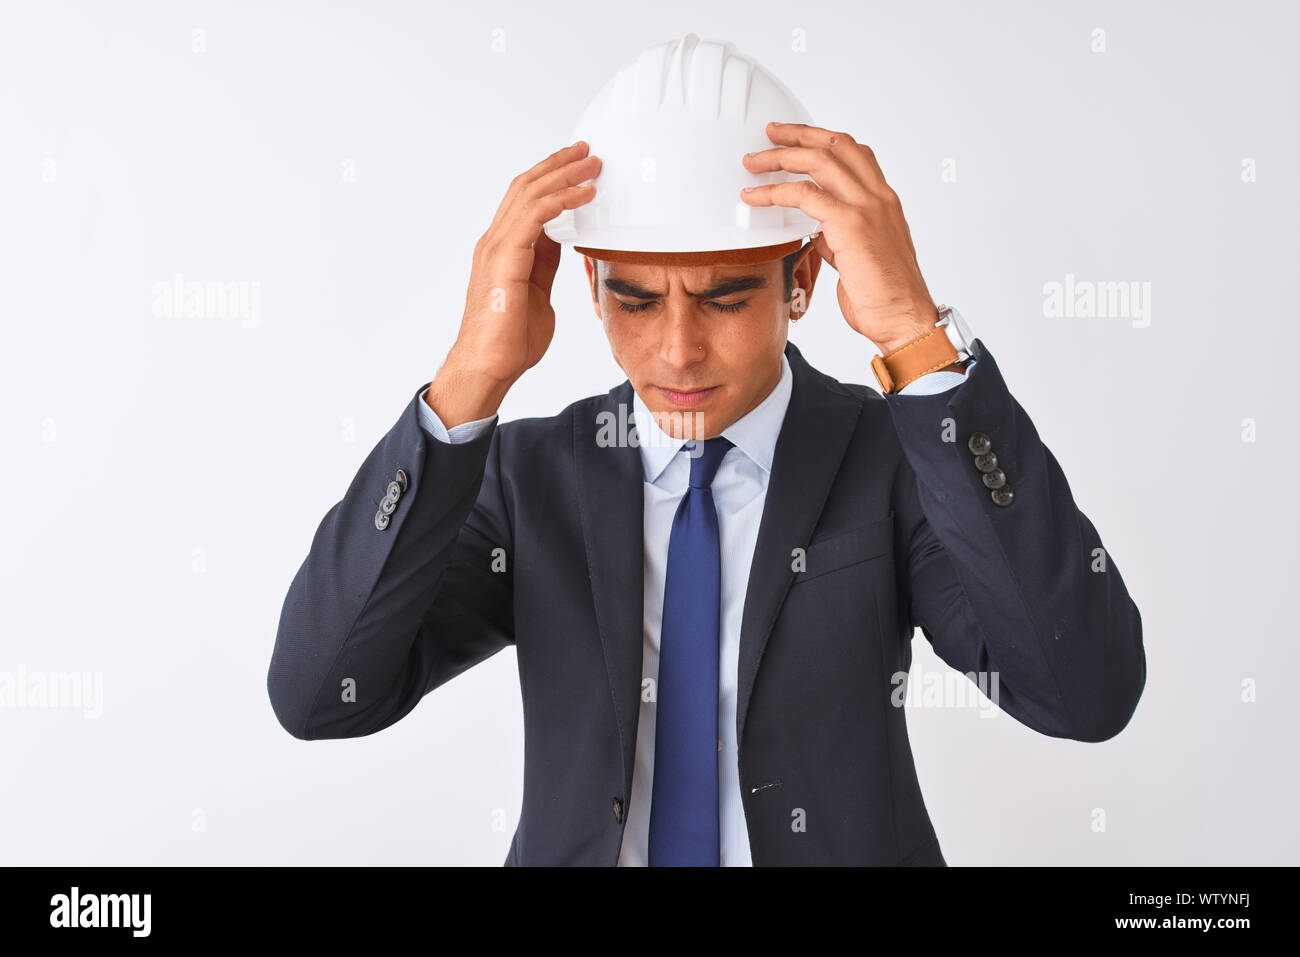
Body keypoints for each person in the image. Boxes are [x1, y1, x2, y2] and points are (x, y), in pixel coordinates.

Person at [267, 35, 1145, 866]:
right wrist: (468, 379)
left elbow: (1085, 692)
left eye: (724, 299)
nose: (678, 351)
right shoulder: (527, 473)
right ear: (590, 286)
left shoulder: (894, 461)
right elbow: (319, 694)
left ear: (801, 278)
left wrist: (918, 337)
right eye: (638, 301)